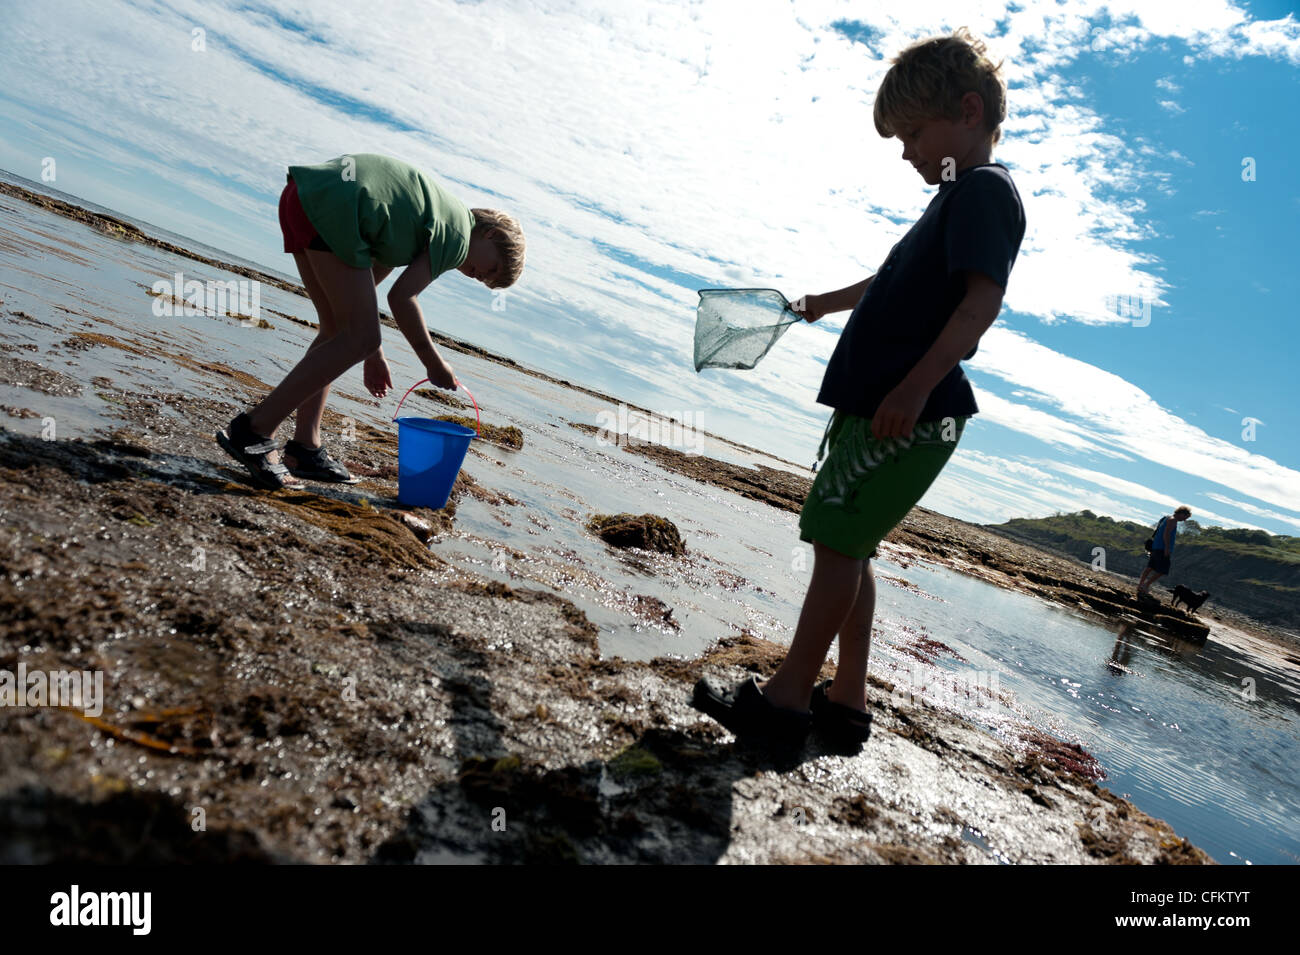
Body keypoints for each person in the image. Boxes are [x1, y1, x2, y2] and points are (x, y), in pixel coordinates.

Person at [693, 27, 1026, 751]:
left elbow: (981, 304)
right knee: (852, 543)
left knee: (838, 541)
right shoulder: (953, 198)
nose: (904, 150)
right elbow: (892, 285)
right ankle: (845, 703)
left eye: (911, 133)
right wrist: (821, 303)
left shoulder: (984, 193)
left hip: (910, 410)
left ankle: (784, 703)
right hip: (889, 408)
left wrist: (911, 388)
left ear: (967, 112)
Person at [216, 153, 525, 488]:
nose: (478, 276)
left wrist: (372, 352)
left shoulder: (411, 223)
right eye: (489, 270)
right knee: (356, 336)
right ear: (491, 235)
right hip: (336, 205)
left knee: (336, 329)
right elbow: (402, 298)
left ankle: (305, 446)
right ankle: (254, 430)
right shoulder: (458, 234)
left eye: (485, 282)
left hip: (303, 196)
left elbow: (360, 303)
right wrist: (434, 364)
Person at [1136, 506, 1192, 600]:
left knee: (1150, 567)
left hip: (1155, 547)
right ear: (1182, 513)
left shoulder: (1165, 518)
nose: (1184, 520)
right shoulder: (1173, 520)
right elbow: (1166, 534)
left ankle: (1140, 585)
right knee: (1162, 570)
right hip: (1162, 548)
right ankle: (1145, 585)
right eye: (1185, 518)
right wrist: (1166, 548)